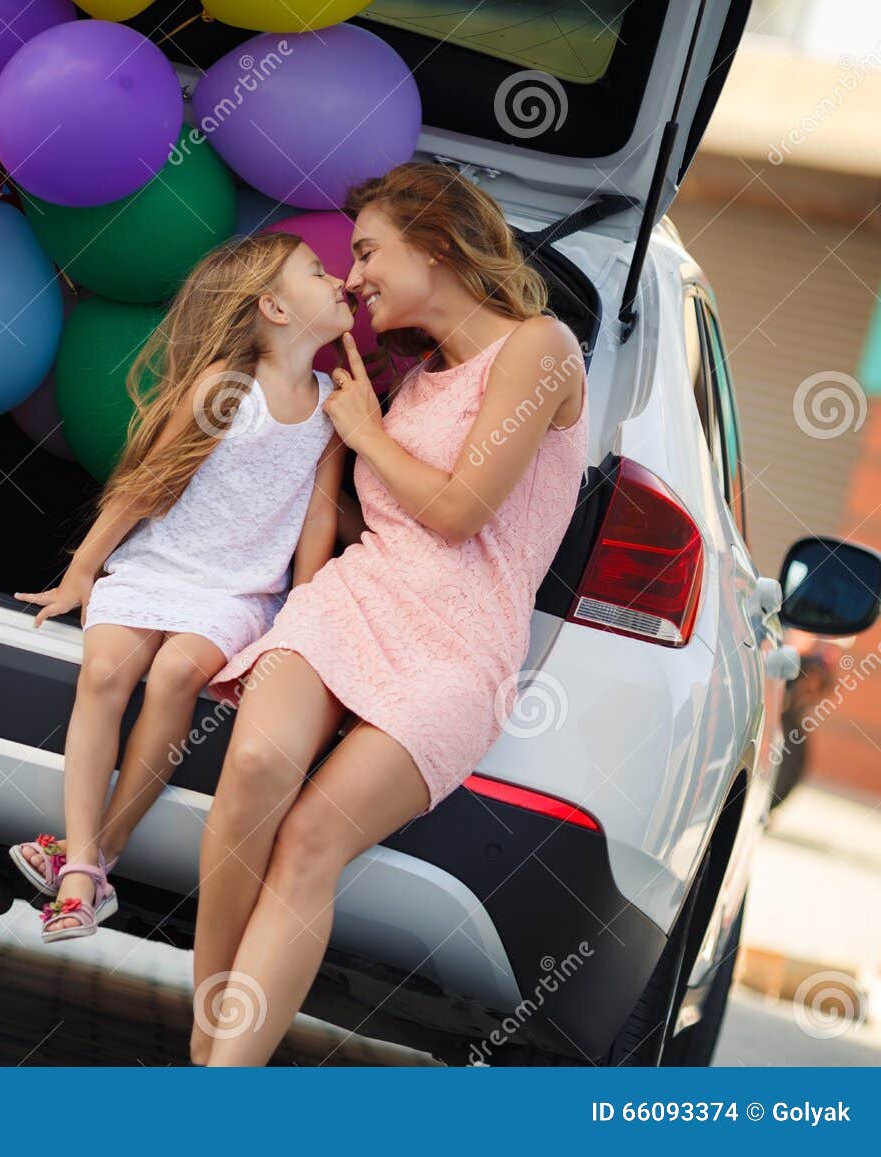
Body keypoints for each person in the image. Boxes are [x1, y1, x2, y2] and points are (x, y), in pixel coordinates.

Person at [190, 161, 590, 1064]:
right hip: (354, 601)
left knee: (310, 837)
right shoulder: (409, 382)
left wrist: (365, 434)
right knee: (252, 766)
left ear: (437, 245)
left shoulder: (540, 348)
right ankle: (204, 1047)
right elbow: (358, 516)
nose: (355, 273)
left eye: (368, 251)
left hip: (458, 645)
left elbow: (458, 511)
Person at [9, 231, 356, 942]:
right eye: (318, 271)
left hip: (239, 591)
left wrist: (306, 614)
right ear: (276, 310)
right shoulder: (222, 388)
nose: (340, 277)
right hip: (159, 563)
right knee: (104, 671)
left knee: (174, 676)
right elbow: (147, 486)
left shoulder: (332, 408)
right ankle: (83, 864)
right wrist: (82, 572)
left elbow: (319, 520)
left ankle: (93, 858)